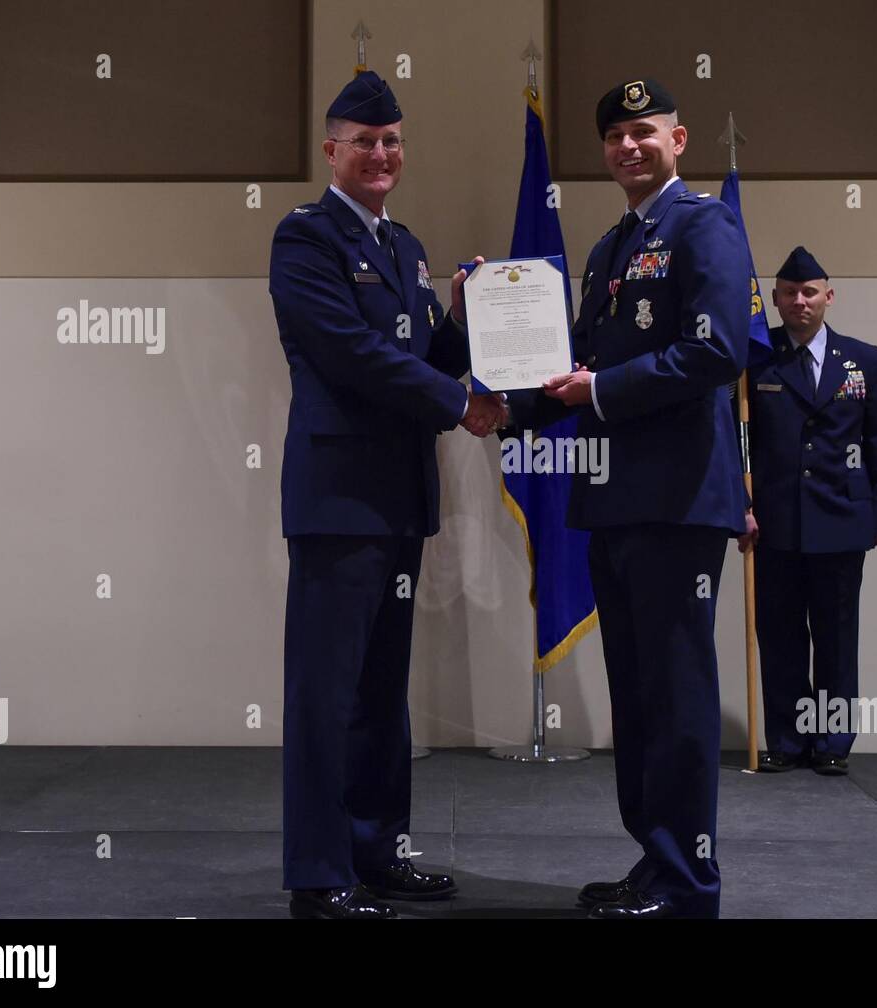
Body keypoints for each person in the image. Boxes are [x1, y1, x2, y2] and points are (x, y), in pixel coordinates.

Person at [503, 78, 749, 919]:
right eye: (613, 136)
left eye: (644, 131)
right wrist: (498, 397)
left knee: (677, 697)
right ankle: (656, 861)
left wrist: (599, 391)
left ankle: (689, 884)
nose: (628, 146)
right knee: (640, 695)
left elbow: (716, 352)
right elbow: (570, 364)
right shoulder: (612, 247)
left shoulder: (705, 225)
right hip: (612, 502)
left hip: (678, 502)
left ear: (678, 140)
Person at [268, 70, 503, 920]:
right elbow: (348, 354)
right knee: (324, 695)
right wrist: (459, 404)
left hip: (400, 497)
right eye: (364, 141)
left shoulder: (403, 247)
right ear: (332, 150)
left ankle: (378, 852)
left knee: (379, 694)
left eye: (393, 141)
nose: (381, 154)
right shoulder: (304, 239)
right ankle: (318, 874)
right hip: (337, 501)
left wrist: (468, 317)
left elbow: (427, 358)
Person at [738, 246, 877, 775]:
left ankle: (831, 741)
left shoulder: (864, 360)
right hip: (774, 524)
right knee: (781, 637)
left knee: (835, 637)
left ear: (829, 297)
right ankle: (786, 741)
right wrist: (739, 506)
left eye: (810, 292)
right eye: (788, 293)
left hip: (840, 521)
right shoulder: (755, 361)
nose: (799, 301)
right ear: (777, 299)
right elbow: (735, 443)